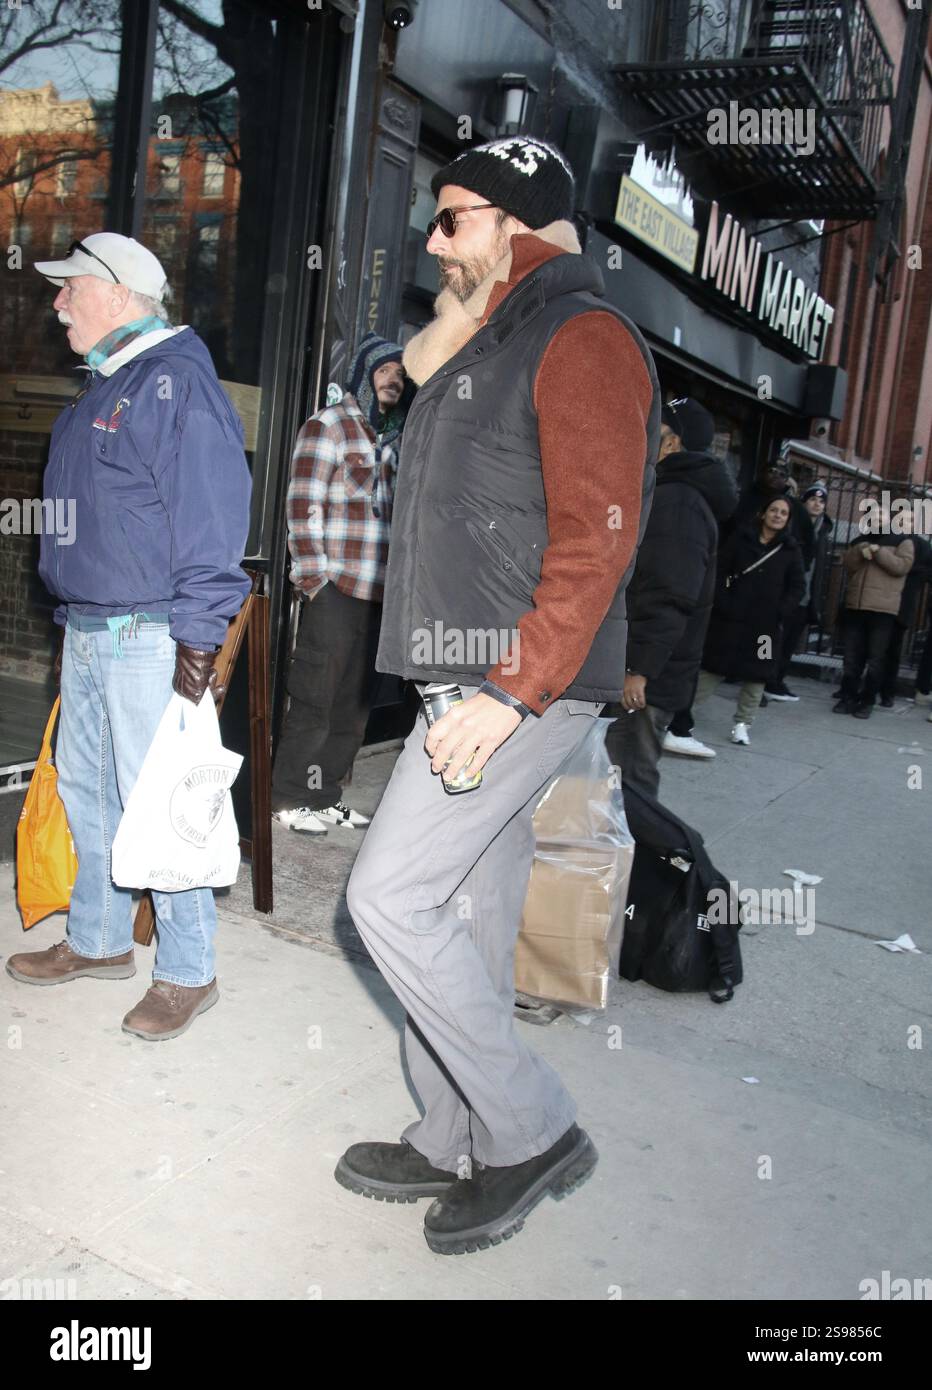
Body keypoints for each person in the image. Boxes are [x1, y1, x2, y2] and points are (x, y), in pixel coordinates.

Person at [336, 136, 658, 1254]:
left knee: (384, 899)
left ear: (515, 226)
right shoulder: (506, 325)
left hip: (515, 679)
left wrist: (511, 693)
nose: (430, 238)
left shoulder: (583, 336)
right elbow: (410, 374)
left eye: (451, 218)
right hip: (463, 673)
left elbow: (596, 540)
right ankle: (447, 1136)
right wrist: (463, 301)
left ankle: (528, 1129)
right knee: (463, 911)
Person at [7, 233, 251, 1041]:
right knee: (89, 789)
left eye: (69, 288)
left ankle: (188, 970)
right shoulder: (112, 379)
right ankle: (102, 940)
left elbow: (211, 521)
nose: (57, 303)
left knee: (166, 807)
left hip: (150, 636)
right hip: (90, 629)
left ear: (116, 291)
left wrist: (198, 641)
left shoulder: (174, 379)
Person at [271, 334, 411, 834]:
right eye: (384, 370)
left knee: (355, 707)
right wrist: (314, 581)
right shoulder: (328, 426)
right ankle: (288, 798)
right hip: (336, 589)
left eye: (401, 371)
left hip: (380, 596)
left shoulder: (398, 439)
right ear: (362, 373)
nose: (394, 379)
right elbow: (302, 506)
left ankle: (324, 794)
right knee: (315, 696)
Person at [605, 397, 737, 798]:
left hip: (648, 678)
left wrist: (639, 669)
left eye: (654, 428)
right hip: (648, 669)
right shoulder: (672, 492)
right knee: (615, 783)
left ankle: (643, 859)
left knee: (626, 786)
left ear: (672, 441)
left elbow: (669, 594)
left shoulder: (679, 500)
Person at [695, 497, 805, 745]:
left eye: (783, 513)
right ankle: (682, 715)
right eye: (773, 510)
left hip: (765, 627)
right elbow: (720, 571)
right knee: (713, 667)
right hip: (731, 619)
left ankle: (742, 724)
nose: (777, 515)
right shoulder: (741, 538)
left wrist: (780, 611)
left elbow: (797, 587)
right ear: (763, 513)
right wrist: (724, 601)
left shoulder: (790, 548)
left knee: (758, 674)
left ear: (788, 519)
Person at [835, 509, 914, 718]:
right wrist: (860, 550)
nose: (877, 520)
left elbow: (901, 567)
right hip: (856, 606)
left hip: (883, 610)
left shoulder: (903, 542)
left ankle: (867, 700)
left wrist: (878, 551)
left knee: (876, 658)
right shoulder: (860, 540)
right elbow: (849, 565)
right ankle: (848, 696)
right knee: (851, 656)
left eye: (882, 516)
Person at [766, 480, 834, 701]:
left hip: (805, 596)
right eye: (813, 499)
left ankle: (777, 681)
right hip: (784, 592)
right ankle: (761, 681)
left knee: (789, 644)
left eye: (821, 501)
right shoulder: (792, 525)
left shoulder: (823, 530)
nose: (817, 504)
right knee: (769, 641)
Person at [878, 518, 932, 707]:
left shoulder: (922, 546)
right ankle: (865, 687)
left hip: (903, 604)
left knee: (893, 650)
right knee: (873, 648)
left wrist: (908, 571)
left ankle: (887, 692)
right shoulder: (884, 539)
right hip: (880, 601)